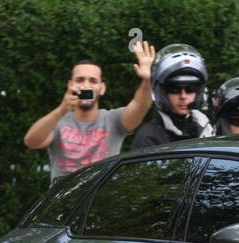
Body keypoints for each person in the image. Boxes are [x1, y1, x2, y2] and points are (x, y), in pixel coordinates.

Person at [23, 42, 156, 183]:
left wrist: (147, 81)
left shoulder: (113, 120)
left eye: (93, 81)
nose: (86, 85)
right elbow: (31, 141)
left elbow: (140, 106)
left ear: (102, 88)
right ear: (70, 85)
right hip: (65, 201)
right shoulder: (57, 121)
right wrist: (61, 110)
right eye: (80, 79)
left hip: (102, 200)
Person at [128, 44, 217, 149]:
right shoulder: (148, 136)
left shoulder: (206, 129)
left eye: (190, 89)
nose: (183, 96)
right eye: (174, 89)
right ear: (163, 92)